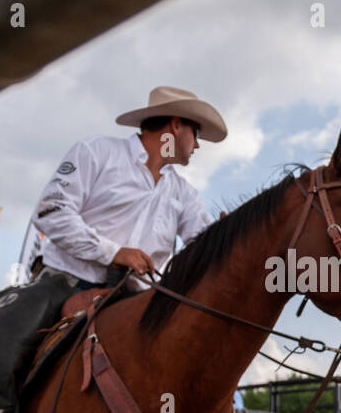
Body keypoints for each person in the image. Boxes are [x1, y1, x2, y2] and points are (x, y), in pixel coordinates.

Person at [29, 86, 228, 293]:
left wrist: (223, 238)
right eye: (196, 133)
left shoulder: (185, 193)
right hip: (66, 283)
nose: (197, 144)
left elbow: (202, 242)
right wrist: (114, 253)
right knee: (14, 323)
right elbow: (50, 211)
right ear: (176, 125)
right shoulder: (96, 152)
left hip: (134, 302)